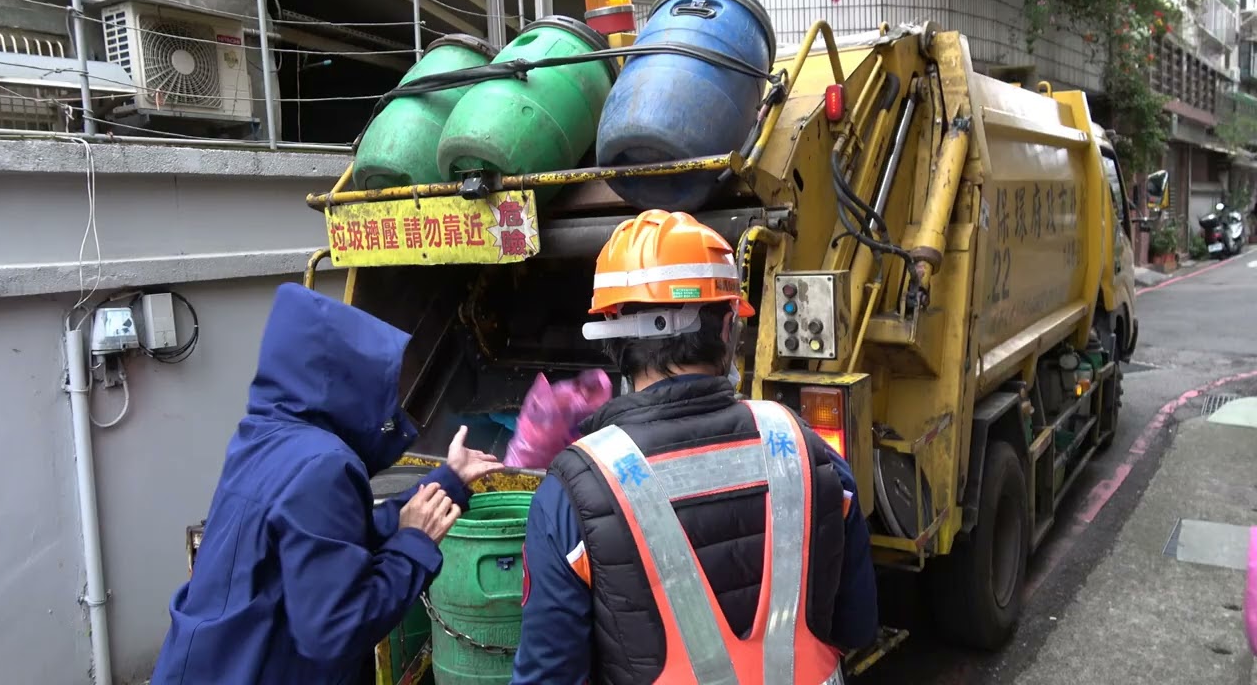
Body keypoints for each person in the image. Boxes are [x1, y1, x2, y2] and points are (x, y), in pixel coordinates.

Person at [511, 211, 878, 684]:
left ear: (612, 339)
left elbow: (549, 675)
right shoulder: (812, 455)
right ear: (728, 328)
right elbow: (857, 624)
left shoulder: (572, 495)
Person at [151, 283, 502, 685]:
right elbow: (337, 628)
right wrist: (414, 546)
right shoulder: (323, 466)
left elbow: (330, 543)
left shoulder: (265, 436)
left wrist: (449, 480)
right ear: (344, 378)